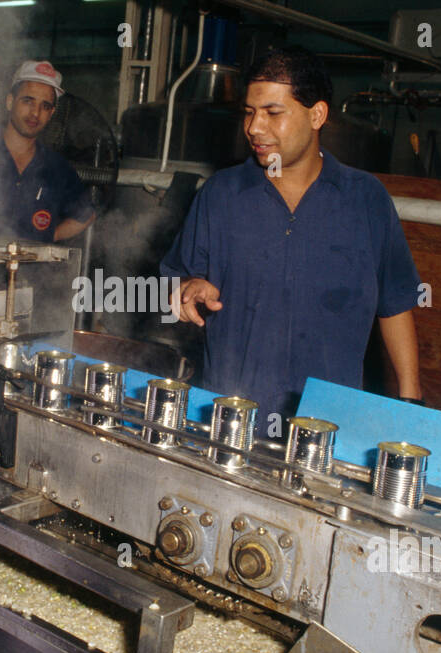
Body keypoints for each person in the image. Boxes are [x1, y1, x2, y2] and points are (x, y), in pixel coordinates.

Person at [161, 45, 422, 431]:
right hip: (233, 417)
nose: (254, 128)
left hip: (329, 426)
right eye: (249, 113)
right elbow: (172, 281)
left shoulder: (365, 199)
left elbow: (396, 303)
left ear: (317, 114)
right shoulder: (221, 195)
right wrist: (185, 288)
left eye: (272, 113)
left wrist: (411, 402)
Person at [0, 60, 96, 242]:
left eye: (45, 106)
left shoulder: (57, 168)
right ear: (10, 102)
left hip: (30, 269)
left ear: (52, 113)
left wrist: (49, 236)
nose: (35, 113)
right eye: (28, 101)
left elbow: (86, 214)